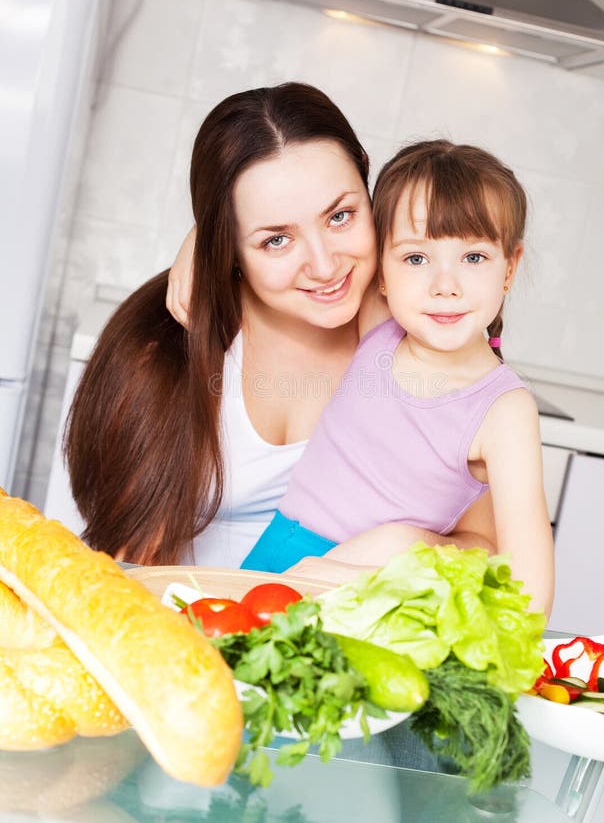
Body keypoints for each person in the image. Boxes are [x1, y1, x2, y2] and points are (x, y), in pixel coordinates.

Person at [65, 83, 495, 582]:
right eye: (276, 240)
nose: (324, 264)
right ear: (227, 243)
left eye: (340, 216)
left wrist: (409, 545)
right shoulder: (160, 346)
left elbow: (484, 548)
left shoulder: (426, 341)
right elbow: (122, 566)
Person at [237, 139, 554, 614]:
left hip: (372, 598)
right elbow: (295, 213)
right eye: (415, 258)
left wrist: (403, 550)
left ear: (509, 268)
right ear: (380, 270)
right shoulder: (380, 324)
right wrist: (195, 243)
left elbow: (531, 594)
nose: (445, 285)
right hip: (272, 559)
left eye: (473, 258)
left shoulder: (504, 411)